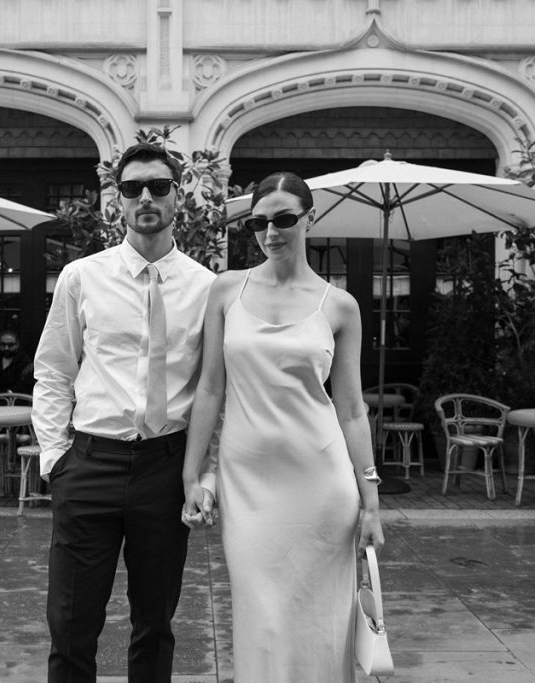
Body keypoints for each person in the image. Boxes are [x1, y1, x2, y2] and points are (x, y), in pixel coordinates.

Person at [180, 171, 385, 682]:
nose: (272, 232)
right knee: (261, 618)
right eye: (259, 222)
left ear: (309, 219)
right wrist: (191, 476)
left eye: (285, 219)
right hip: (247, 487)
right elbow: (209, 388)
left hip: (322, 486)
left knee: (321, 623)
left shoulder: (339, 306)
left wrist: (372, 501)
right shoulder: (227, 290)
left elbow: (352, 410)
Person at [32, 142, 216, 682]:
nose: (145, 198)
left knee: (155, 625)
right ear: (117, 200)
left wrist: (203, 472)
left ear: (178, 197)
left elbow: (213, 389)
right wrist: (54, 458)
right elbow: (54, 370)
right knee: (70, 625)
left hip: (166, 467)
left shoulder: (208, 288)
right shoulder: (82, 277)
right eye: (133, 188)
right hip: (89, 465)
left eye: (158, 186)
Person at [0, 328, 33, 394]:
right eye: (3, 345)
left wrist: (9, 393)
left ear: (17, 345)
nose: (6, 348)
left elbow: (24, 385)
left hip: (15, 398)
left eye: (10, 345)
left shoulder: (24, 361)